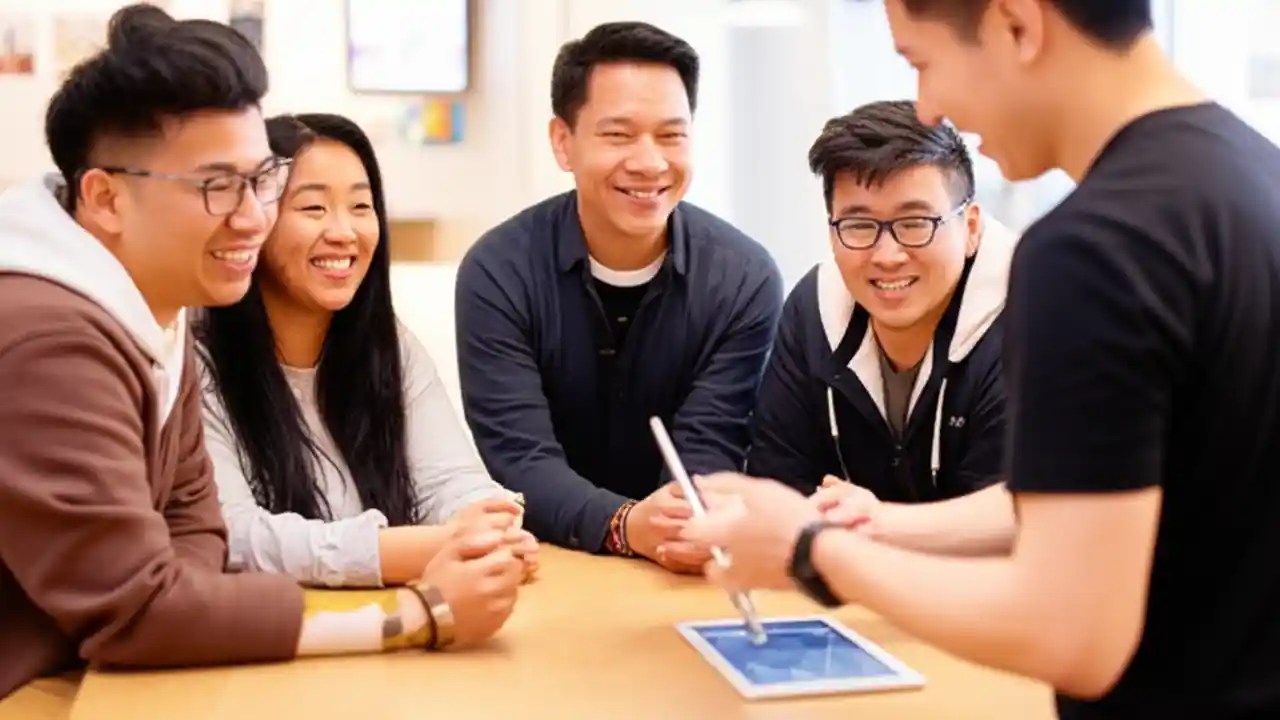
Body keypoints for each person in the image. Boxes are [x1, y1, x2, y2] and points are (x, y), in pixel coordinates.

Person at [683, 0, 1280, 717]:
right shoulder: (1253, 176)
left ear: (1017, 24)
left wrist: (813, 549)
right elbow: (1109, 494)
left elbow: (1073, 634)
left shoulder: (1091, 251)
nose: (933, 107)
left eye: (922, 63)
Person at [0, 5, 523, 700]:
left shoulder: (159, 306)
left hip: (100, 672)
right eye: (217, 186)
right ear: (105, 198)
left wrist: (180, 603)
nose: (252, 216)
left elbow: (195, 538)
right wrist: (417, 614)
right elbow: (139, 609)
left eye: (261, 180)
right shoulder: (49, 336)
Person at [455, 21, 783, 572]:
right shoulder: (499, 271)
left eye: (672, 135)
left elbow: (707, 449)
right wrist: (626, 525)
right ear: (564, 142)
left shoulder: (743, 278)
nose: (651, 162)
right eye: (619, 134)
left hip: (677, 569)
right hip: (541, 563)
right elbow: (519, 456)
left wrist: (680, 524)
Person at [196, 112, 538, 589]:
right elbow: (233, 536)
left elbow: (452, 480)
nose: (344, 231)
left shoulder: (387, 344)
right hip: (282, 638)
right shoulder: (197, 358)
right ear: (257, 219)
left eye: (361, 206)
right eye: (313, 208)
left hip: (403, 624)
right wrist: (422, 549)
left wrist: (488, 524)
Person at [746, 100, 1017, 555]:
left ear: (970, 227)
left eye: (915, 223)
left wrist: (872, 524)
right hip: (850, 602)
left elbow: (1013, 527)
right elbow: (777, 497)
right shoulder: (815, 310)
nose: (886, 254)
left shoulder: (1029, 315)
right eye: (858, 224)